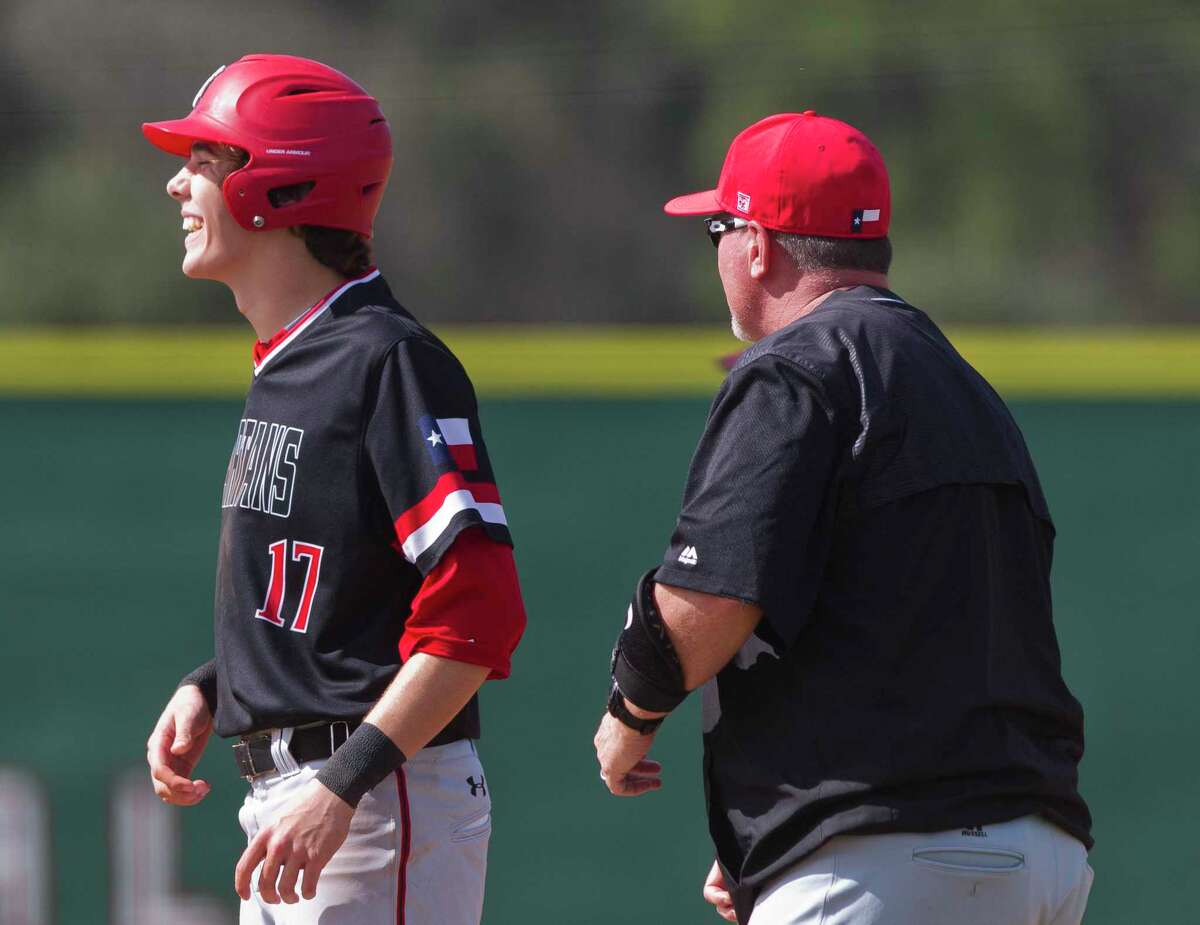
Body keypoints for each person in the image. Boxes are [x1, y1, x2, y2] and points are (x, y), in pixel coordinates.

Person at [593, 111, 1093, 925]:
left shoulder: (795, 372)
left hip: (889, 859)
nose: (716, 251)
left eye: (718, 227)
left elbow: (710, 597)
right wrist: (779, 831)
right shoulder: (969, 391)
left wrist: (630, 713)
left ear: (757, 245)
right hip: (1037, 854)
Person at [142, 54, 526, 925]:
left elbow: (481, 612)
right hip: (306, 799)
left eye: (206, 158)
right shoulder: (295, 360)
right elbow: (344, 595)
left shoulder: (386, 360)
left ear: (278, 189)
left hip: (373, 795)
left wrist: (346, 782)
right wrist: (218, 683)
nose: (177, 184)